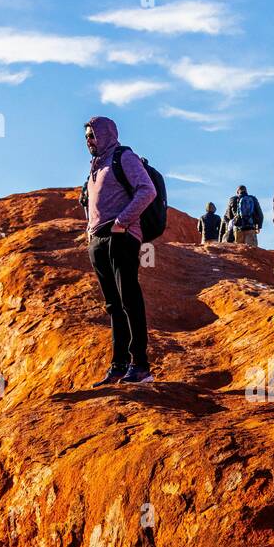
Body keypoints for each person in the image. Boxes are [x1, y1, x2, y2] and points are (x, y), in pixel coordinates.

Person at [84, 115, 156, 386]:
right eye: (87, 137)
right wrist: (90, 231)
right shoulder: (95, 166)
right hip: (98, 240)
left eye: (93, 135)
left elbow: (146, 190)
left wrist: (120, 222)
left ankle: (140, 365)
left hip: (121, 237)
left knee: (129, 300)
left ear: (105, 134)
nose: (89, 141)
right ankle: (119, 366)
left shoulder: (123, 157)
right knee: (114, 305)